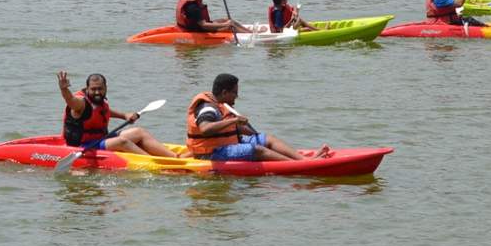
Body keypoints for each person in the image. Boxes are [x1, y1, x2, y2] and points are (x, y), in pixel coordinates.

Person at [186, 73, 331, 161]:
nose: (237, 96)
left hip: (225, 144)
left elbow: (230, 130)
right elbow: (205, 129)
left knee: (267, 139)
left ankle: (305, 159)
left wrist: (245, 129)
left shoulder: (223, 104)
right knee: (256, 149)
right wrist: (235, 120)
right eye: (234, 92)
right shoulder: (207, 108)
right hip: (211, 154)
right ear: (224, 93)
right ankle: (298, 165)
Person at [57, 71, 183, 157]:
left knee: (139, 132)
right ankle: (155, 163)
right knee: (122, 141)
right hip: (83, 145)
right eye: (93, 89)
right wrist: (64, 89)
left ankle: (175, 157)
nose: (97, 92)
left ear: (106, 88)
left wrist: (124, 116)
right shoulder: (81, 104)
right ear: (87, 89)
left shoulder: (99, 102)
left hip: (100, 139)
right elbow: (71, 101)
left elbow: (103, 112)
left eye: (100, 89)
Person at [176, 0, 249, 34]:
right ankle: (249, 35)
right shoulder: (193, 8)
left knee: (227, 20)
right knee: (229, 26)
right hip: (200, 30)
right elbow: (204, 25)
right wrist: (224, 25)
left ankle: (250, 32)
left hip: (202, 26)